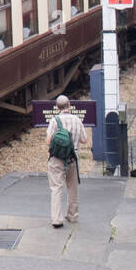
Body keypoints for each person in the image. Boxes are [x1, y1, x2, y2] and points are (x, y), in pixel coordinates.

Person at [46, 95, 88, 226]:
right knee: (73, 188)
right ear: (69, 105)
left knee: (56, 188)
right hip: (72, 158)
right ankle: (72, 215)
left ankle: (57, 220)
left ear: (57, 107)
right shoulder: (77, 120)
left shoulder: (54, 121)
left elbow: (48, 142)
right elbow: (84, 140)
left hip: (56, 159)